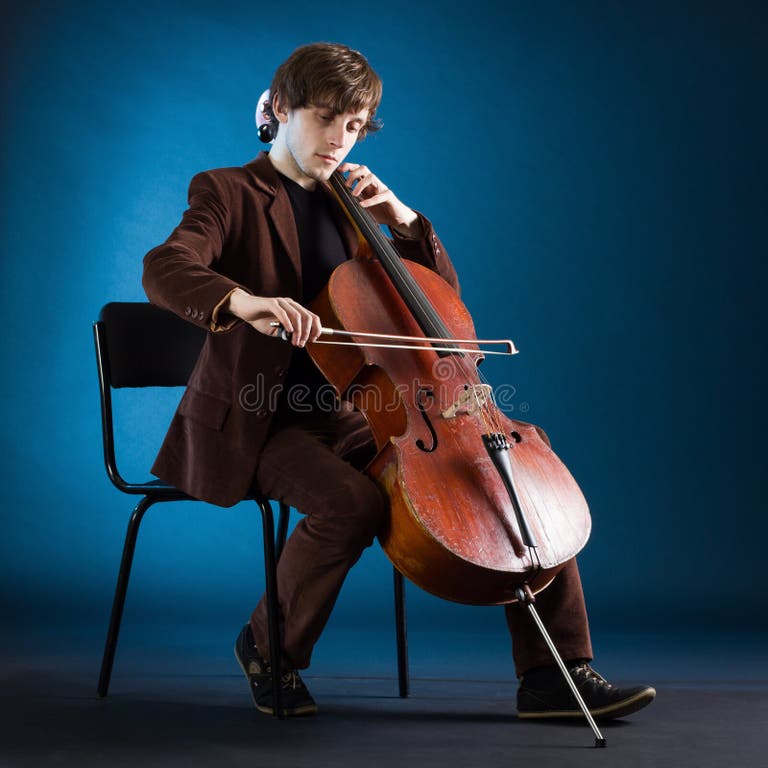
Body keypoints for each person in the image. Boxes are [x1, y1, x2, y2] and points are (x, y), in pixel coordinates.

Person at [142, 42, 656, 720]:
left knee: (511, 472)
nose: (340, 140)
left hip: (360, 413)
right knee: (350, 504)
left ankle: (554, 676)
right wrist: (245, 302)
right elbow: (166, 266)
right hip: (262, 417)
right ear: (283, 108)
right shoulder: (229, 192)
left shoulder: (352, 206)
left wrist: (405, 224)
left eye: (355, 125)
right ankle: (268, 647)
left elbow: (437, 313)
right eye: (328, 118)